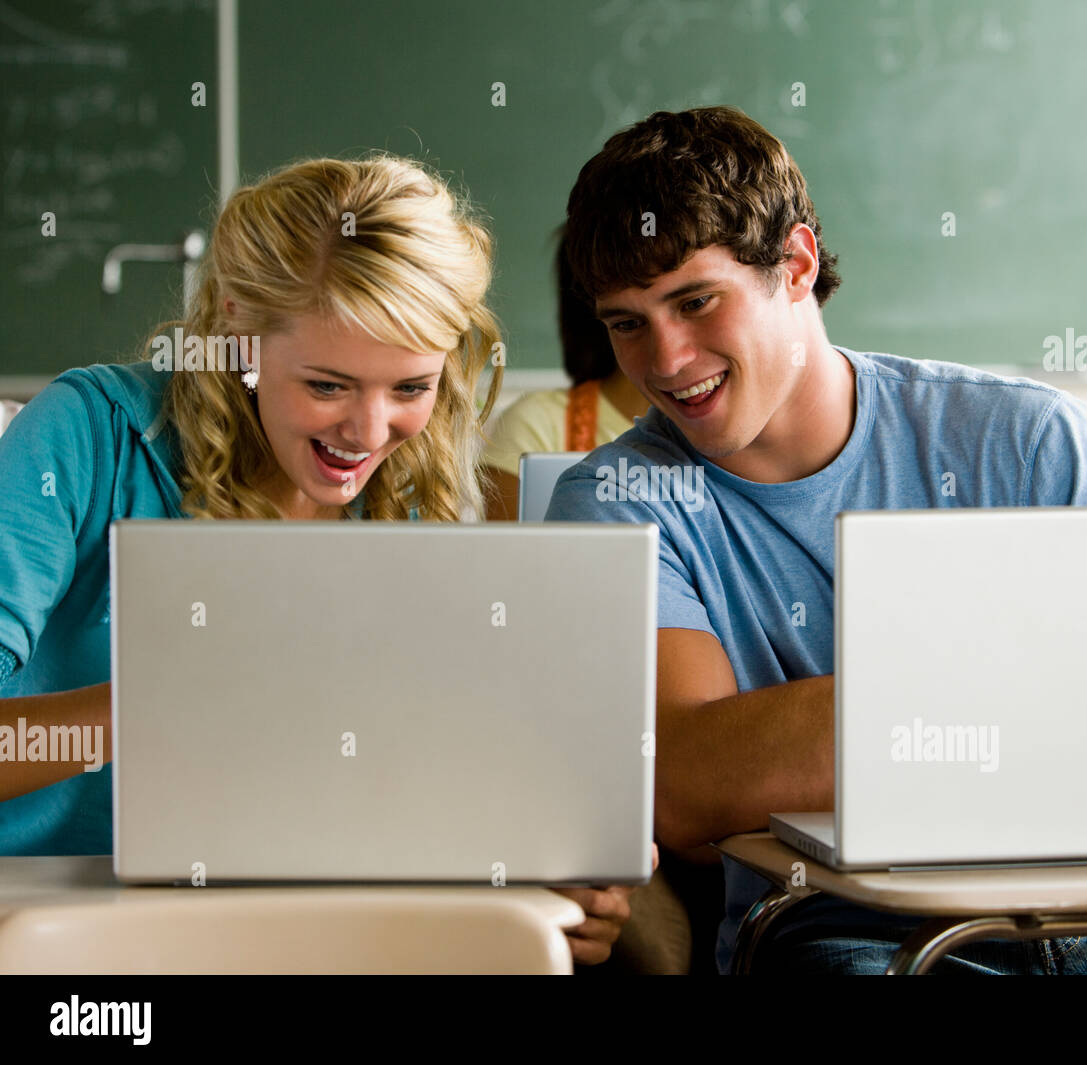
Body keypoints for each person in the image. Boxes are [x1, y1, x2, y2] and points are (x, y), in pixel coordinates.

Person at [545, 106, 1087, 974]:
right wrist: (1030, 690)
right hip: (857, 934)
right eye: (626, 322)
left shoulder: (1027, 438)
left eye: (694, 301)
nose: (665, 360)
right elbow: (684, 783)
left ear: (796, 264)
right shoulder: (617, 500)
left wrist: (834, 728)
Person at [0, 155, 635, 964]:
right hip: (55, 917)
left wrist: (543, 869)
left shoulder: (417, 486)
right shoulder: (86, 440)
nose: (369, 434)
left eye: (411, 387)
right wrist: (161, 699)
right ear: (240, 331)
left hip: (306, 919)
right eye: (328, 384)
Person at [482, 234, 645, 521]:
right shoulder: (538, 424)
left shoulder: (732, 435)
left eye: (694, 302)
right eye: (629, 321)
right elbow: (503, 559)